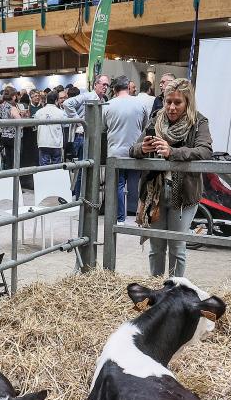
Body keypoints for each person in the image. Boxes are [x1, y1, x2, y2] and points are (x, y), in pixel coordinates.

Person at [131, 78, 213, 278]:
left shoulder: (198, 122)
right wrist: (142, 149)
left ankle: (175, 292)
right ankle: (156, 291)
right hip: (155, 192)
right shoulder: (156, 119)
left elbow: (205, 150)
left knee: (177, 246)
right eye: (168, 101)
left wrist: (173, 152)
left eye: (178, 102)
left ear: (188, 102)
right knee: (156, 245)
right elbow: (133, 149)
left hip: (184, 192)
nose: (172, 107)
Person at [105, 75, 150, 223]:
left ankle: (120, 218)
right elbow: (145, 127)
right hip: (136, 151)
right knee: (136, 184)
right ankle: (137, 214)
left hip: (115, 152)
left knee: (118, 185)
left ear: (114, 89)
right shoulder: (140, 104)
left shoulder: (108, 105)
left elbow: (103, 127)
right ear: (128, 88)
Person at [63, 75, 111, 198]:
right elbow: (67, 103)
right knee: (83, 170)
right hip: (83, 137)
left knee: (87, 169)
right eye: (103, 84)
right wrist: (80, 121)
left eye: (107, 85)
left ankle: (83, 197)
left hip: (93, 138)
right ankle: (80, 197)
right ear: (95, 84)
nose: (105, 87)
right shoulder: (88, 96)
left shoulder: (103, 100)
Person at [34, 90, 67, 165]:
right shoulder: (61, 113)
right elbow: (65, 125)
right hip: (56, 143)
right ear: (56, 100)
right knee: (56, 168)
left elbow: (35, 125)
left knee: (44, 168)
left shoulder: (39, 112)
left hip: (43, 142)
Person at [0, 87, 24, 170]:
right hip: (14, 137)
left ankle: (8, 177)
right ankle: (15, 178)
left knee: (8, 160)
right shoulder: (13, 108)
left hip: (4, 136)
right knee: (16, 160)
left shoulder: (0, 107)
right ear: (14, 97)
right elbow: (20, 123)